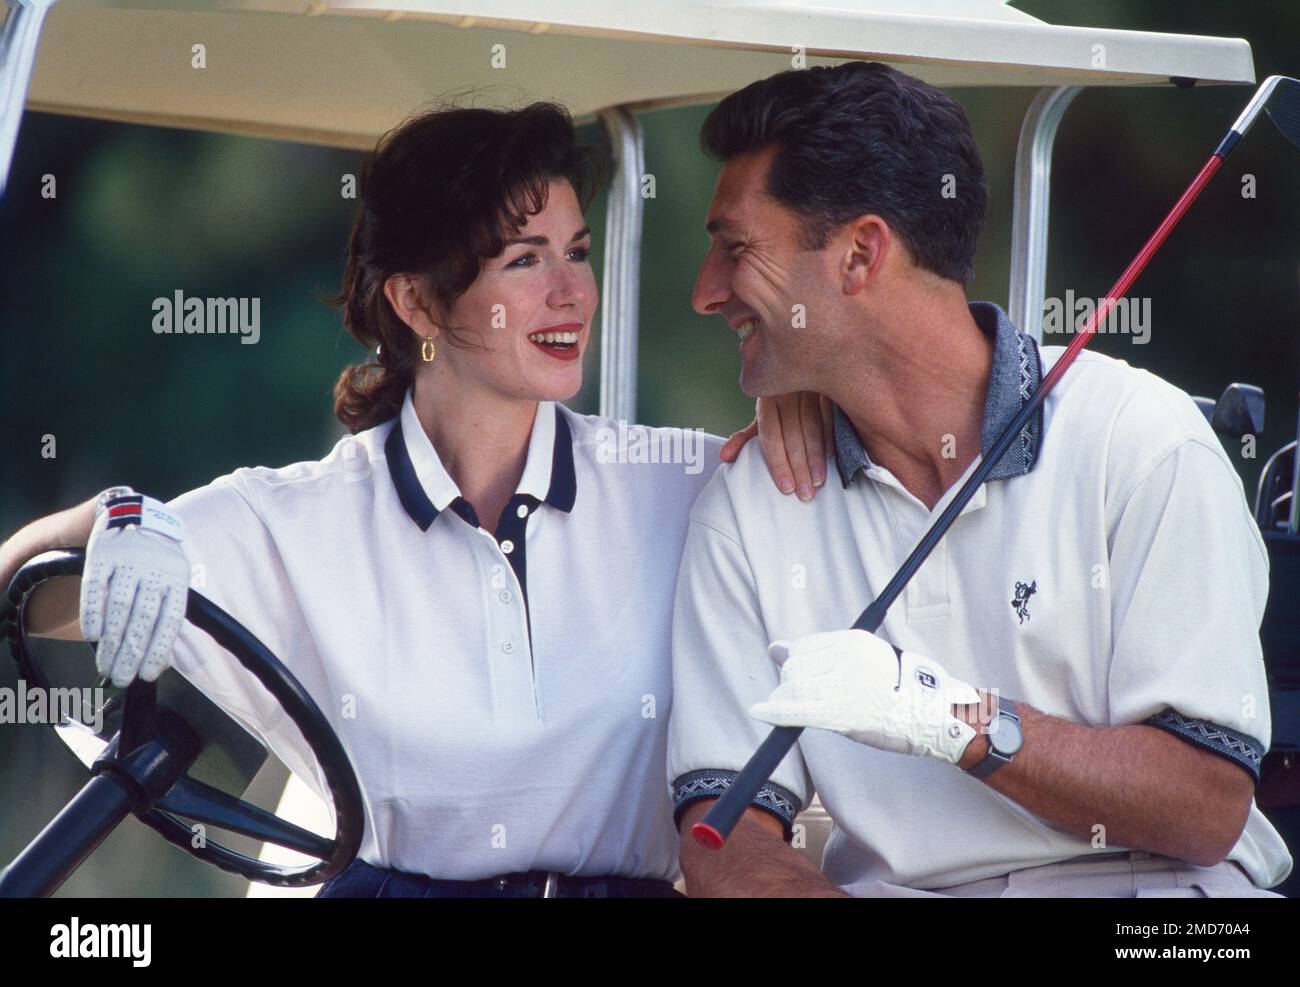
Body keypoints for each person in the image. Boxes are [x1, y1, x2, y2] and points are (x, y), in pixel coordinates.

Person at [0, 101, 833, 898]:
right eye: (523, 259)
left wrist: (812, 391)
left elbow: (890, 470)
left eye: (576, 251)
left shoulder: (688, 482)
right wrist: (115, 520)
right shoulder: (297, 520)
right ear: (417, 301)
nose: (573, 292)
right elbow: (21, 586)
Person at [666, 61, 1294, 897]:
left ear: (860, 254)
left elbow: (1205, 806)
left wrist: (944, 715)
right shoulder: (747, 503)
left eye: (736, 249)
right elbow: (723, 838)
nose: (707, 292)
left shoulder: (1146, 441)